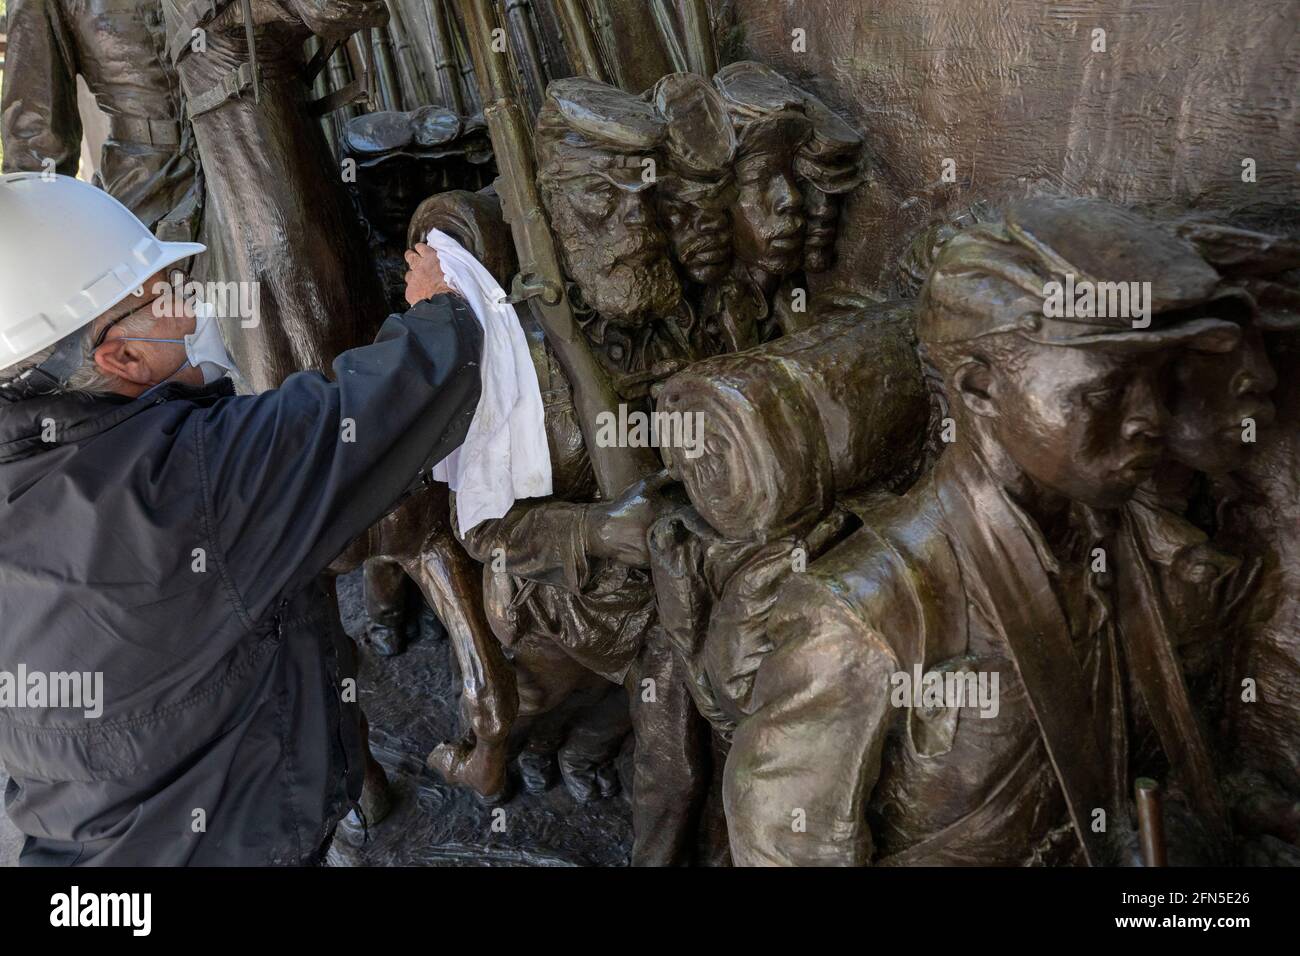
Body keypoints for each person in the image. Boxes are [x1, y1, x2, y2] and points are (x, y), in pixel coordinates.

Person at [723, 196, 1242, 866]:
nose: (1149, 420)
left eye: (1160, 384)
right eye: (1104, 393)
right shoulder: (862, 615)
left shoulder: (1131, 546)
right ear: (978, 388)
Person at [0, 173, 481, 865]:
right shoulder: (188, 485)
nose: (191, 312)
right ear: (120, 356)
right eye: (164, 294)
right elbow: (382, 406)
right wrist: (445, 309)